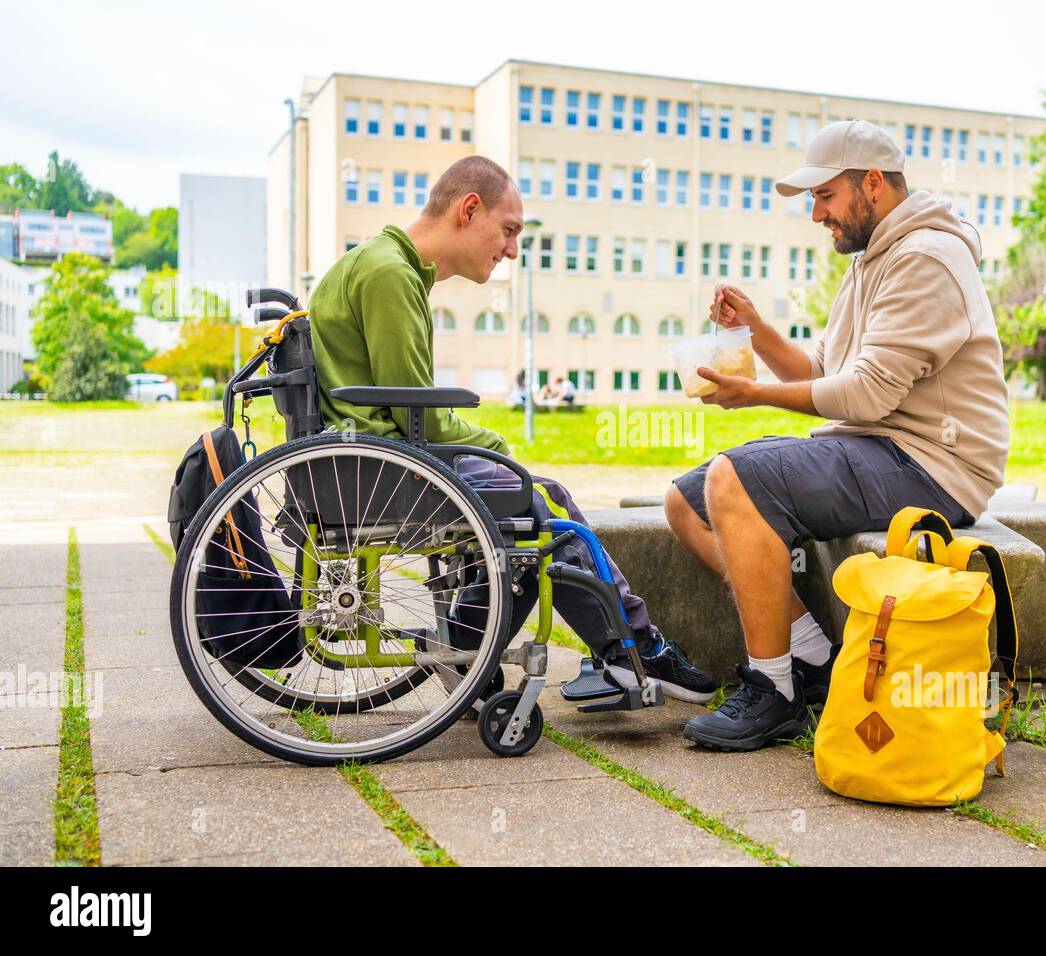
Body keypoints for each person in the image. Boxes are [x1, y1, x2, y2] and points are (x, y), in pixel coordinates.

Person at [307, 155, 715, 704]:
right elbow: (416, 414)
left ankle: (472, 644)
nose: (512, 249)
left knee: (537, 504)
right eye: (508, 230)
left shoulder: (378, 264)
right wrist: (498, 448)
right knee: (541, 502)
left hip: (363, 465)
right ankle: (634, 649)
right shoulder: (390, 273)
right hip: (384, 471)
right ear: (468, 210)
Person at [668, 121, 1010, 750]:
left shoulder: (927, 258)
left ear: (871, 183)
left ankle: (774, 691)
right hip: (873, 445)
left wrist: (754, 397)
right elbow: (824, 373)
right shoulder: (871, 260)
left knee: (732, 477)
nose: (816, 214)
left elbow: (869, 393)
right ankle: (813, 656)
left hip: (935, 464)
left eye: (824, 197)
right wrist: (757, 330)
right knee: (685, 500)